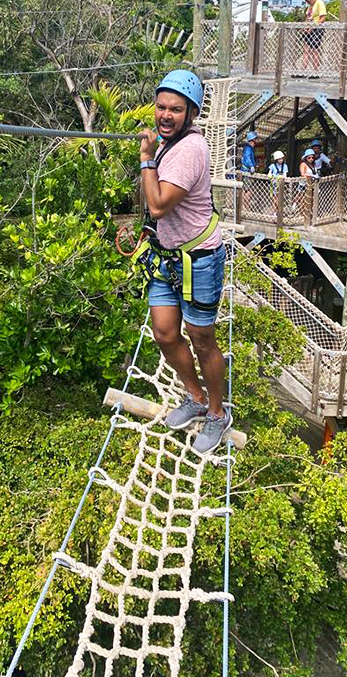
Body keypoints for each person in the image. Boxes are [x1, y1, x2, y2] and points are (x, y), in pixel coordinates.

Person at [137, 70, 232, 455]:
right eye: (161, 107)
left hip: (199, 259)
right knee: (164, 333)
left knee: (202, 340)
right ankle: (194, 397)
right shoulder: (167, 142)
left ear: (191, 113)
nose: (166, 115)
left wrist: (146, 159)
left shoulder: (189, 149)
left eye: (175, 110)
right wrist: (152, 151)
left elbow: (158, 205)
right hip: (167, 255)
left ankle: (217, 413)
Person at [302, 0, 327, 71]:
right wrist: (305, 26)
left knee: (314, 50)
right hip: (308, 29)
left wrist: (313, 27)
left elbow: (322, 18)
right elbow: (308, 17)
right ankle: (302, 70)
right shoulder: (310, 6)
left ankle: (316, 70)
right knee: (306, 50)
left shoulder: (319, 3)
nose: (308, 3)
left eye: (309, 1)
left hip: (317, 30)